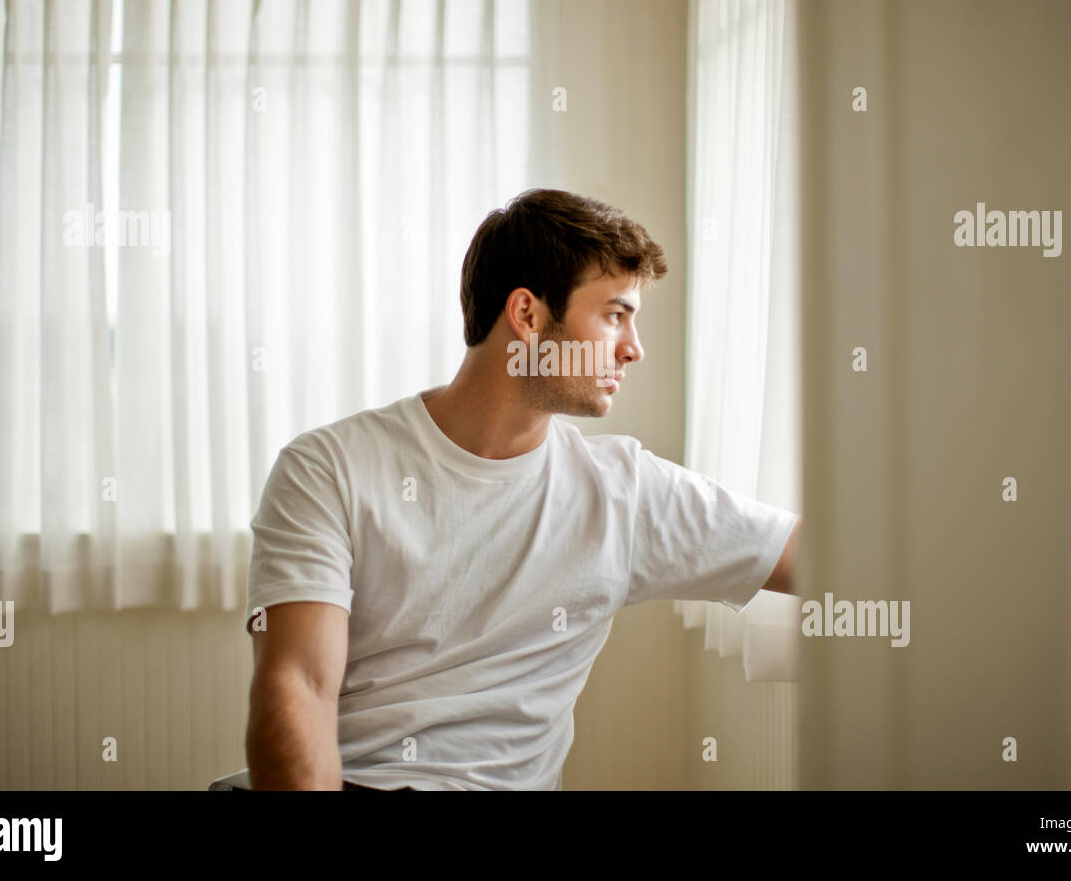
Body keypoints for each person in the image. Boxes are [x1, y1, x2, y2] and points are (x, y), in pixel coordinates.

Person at [244, 188, 802, 790]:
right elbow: (297, 684)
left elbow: (828, 557)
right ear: (528, 316)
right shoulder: (328, 467)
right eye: (615, 314)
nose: (633, 348)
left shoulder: (627, 492)